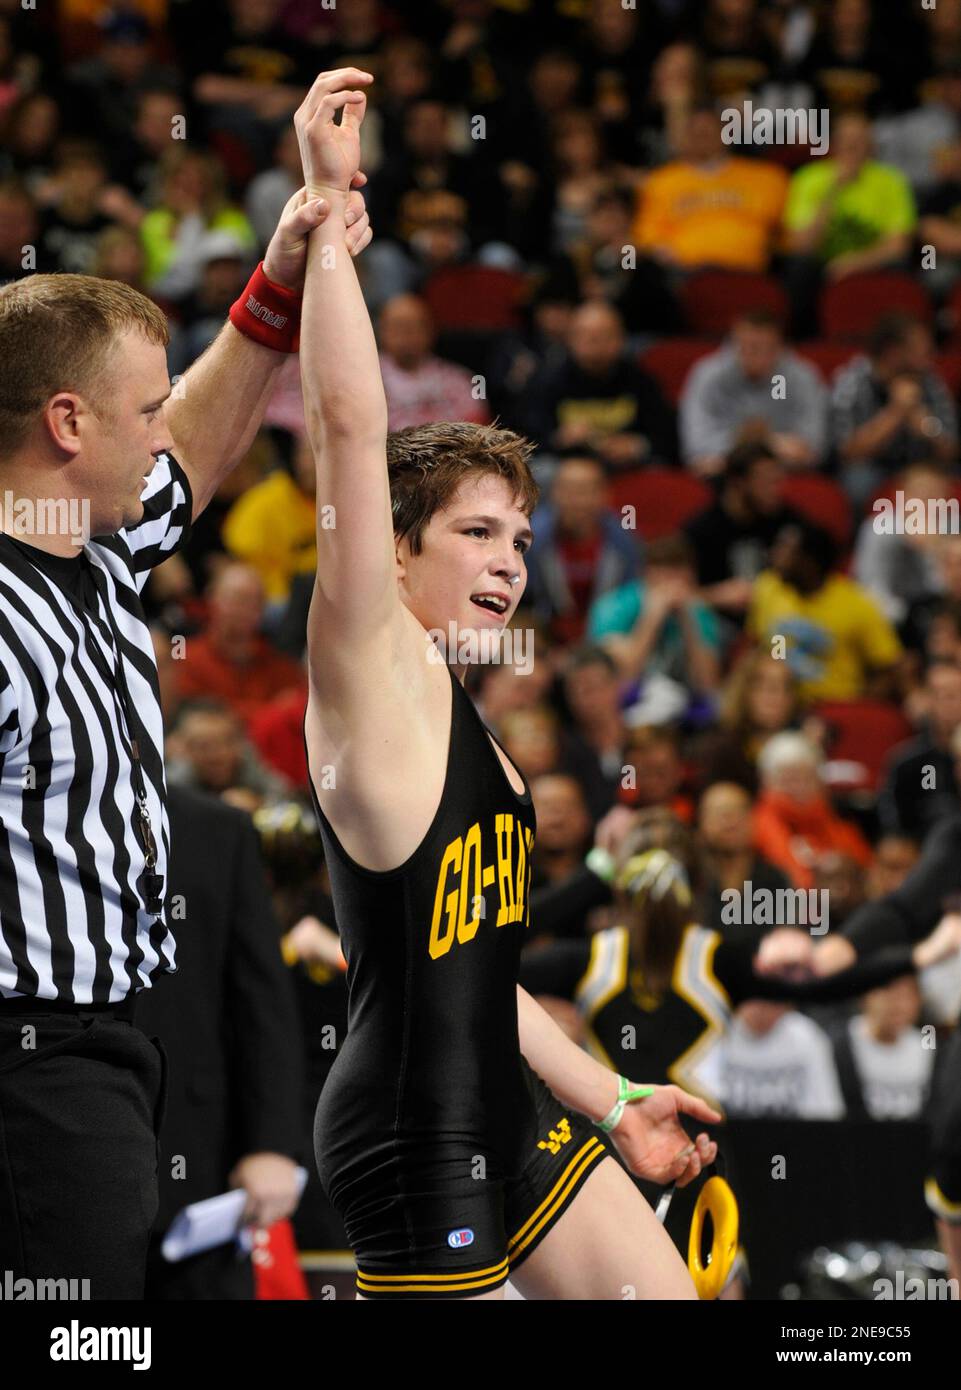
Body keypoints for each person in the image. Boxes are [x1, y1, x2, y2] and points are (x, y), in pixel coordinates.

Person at [296, 69, 719, 1303]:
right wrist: (327, 224)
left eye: (521, 540)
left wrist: (618, 1096)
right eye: (478, 533)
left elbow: (486, 976)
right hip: (411, 1139)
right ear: (399, 545)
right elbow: (343, 422)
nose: (508, 562)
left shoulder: (470, 716)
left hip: (517, 1111)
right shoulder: (365, 657)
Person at [0, 65, 373, 1300]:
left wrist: (286, 259)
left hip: (113, 1046)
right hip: (28, 1061)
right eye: (140, 410)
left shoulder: (91, 545)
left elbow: (200, 447)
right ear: (67, 423)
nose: (165, 430)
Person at [679, 312, 828, 477]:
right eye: (746, 347)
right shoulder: (708, 375)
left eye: (764, 348)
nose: (754, 355)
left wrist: (763, 442)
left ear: (780, 347)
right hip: (724, 475)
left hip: (785, 474)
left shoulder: (801, 377)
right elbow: (696, 448)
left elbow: (813, 447)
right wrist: (744, 442)